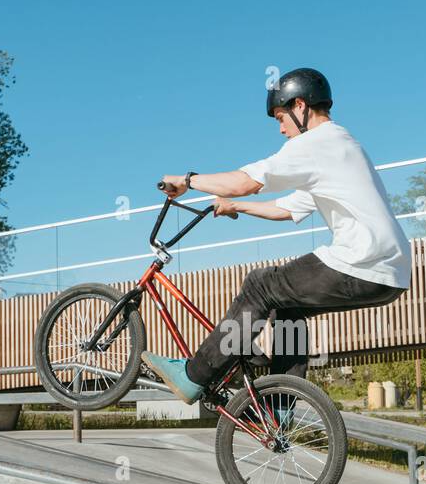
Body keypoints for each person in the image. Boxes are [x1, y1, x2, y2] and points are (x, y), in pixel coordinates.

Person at [144, 68, 411, 401]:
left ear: (300, 106)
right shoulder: (341, 145)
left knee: (259, 285)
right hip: (388, 274)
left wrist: (188, 180)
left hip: (361, 261)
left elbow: (243, 182)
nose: (281, 129)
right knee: (287, 309)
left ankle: (194, 374)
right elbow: (286, 209)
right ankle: (280, 404)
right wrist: (236, 207)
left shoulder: (317, 143)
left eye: (281, 118)